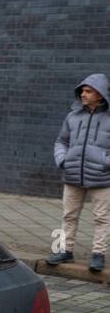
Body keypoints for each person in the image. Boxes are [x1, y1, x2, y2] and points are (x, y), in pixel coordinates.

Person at [49, 73, 110, 273]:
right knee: (69, 215)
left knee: (102, 218)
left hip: (102, 177)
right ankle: (65, 250)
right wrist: (63, 160)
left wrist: (105, 162)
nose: (83, 94)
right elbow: (61, 141)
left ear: (100, 95)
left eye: (88, 91)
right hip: (73, 175)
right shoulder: (73, 116)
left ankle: (98, 254)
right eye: (82, 91)